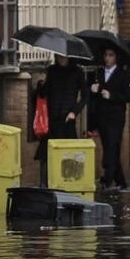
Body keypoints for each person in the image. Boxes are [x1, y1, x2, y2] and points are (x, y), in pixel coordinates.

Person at [34, 53, 87, 187]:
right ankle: (44, 183)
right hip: (52, 118)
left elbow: (85, 96)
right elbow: (43, 93)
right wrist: (41, 84)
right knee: (45, 151)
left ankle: (69, 183)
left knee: (69, 152)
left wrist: (74, 112)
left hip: (67, 119)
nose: (61, 59)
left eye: (63, 57)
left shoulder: (77, 72)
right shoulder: (52, 70)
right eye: (58, 56)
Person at [89, 47, 130, 190]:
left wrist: (112, 96)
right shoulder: (99, 73)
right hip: (102, 116)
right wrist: (93, 90)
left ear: (116, 57)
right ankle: (121, 181)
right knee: (109, 146)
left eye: (111, 55)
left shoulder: (123, 74)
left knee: (112, 146)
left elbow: (129, 96)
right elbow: (93, 97)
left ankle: (107, 179)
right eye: (106, 55)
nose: (108, 58)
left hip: (116, 117)